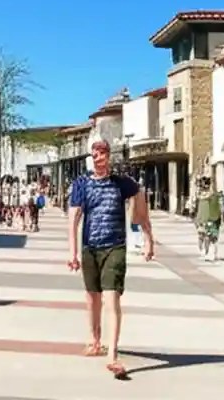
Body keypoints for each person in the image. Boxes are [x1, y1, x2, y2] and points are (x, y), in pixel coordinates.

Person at [67, 139, 153, 379]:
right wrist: (72, 253)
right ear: (90, 158)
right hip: (90, 248)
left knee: (111, 298)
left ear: (109, 157)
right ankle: (95, 340)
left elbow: (141, 210)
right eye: (95, 154)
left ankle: (112, 355)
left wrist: (148, 239)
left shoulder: (122, 184)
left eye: (103, 153)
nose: (99, 158)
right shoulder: (81, 184)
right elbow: (73, 219)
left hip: (115, 247)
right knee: (92, 297)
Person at [194, 177, 222, 262]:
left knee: (209, 237)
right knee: (206, 237)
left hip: (209, 218)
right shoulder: (210, 195)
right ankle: (208, 253)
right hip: (206, 218)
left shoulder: (210, 195)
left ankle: (209, 253)